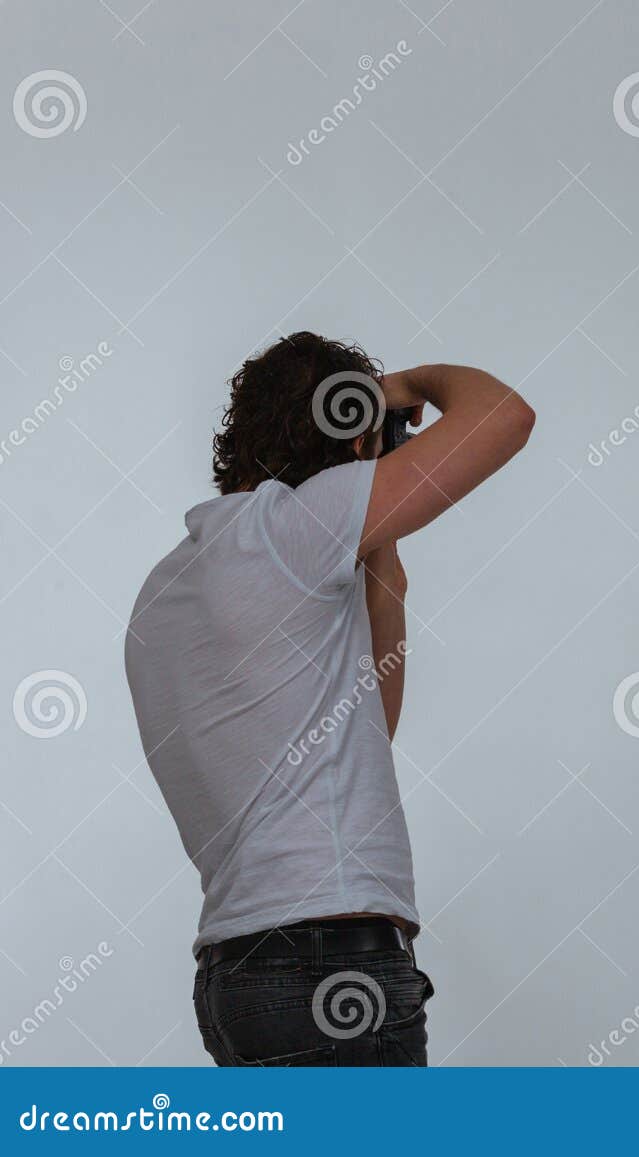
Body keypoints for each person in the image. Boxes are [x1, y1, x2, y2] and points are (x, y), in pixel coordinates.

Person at [123, 332, 536, 1066]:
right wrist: (407, 384)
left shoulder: (173, 584)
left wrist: (382, 552)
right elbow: (503, 414)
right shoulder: (294, 526)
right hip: (329, 966)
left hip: (240, 981)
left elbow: (368, 728)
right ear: (352, 435)